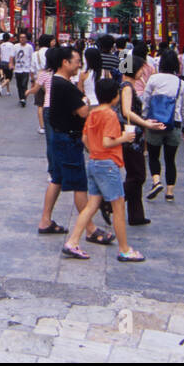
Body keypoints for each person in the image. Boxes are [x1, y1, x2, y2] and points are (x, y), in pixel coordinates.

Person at [61, 79, 145, 262]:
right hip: (107, 165)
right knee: (118, 207)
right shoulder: (110, 115)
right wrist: (124, 137)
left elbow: (85, 139)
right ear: (115, 96)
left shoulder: (93, 113)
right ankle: (124, 249)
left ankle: (73, 241)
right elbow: (108, 141)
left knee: (92, 205)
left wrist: (95, 151)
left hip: (94, 162)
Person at [37, 46, 113, 245]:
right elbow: (83, 112)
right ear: (65, 62)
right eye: (77, 61)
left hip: (60, 138)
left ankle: (45, 220)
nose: (79, 65)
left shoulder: (57, 82)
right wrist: (85, 101)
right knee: (79, 184)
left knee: (57, 179)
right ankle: (90, 229)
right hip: (69, 140)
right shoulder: (65, 86)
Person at [141, 50, 184, 202]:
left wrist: (145, 120)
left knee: (153, 155)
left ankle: (156, 181)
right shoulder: (180, 83)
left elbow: (146, 100)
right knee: (170, 159)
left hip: (154, 123)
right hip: (174, 124)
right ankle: (170, 192)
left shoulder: (153, 79)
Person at [116, 45, 156, 226]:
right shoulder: (127, 87)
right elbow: (126, 111)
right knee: (138, 175)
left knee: (134, 174)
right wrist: (145, 123)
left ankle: (136, 215)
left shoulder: (128, 85)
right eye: (141, 69)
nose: (143, 72)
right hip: (131, 135)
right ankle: (109, 202)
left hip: (134, 135)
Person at [28, 33, 54, 134]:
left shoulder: (36, 54)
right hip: (50, 80)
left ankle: (42, 126)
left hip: (38, 80)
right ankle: (50, 124)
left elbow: (32, 69)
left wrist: (32, 82)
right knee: (50, 102)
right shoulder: (52, 52)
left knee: (40, 104)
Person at [12, 31, 33, 106]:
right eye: (21, 37)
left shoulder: (29, 47)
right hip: (18, 68)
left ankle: (24, 98)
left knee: (24, 84)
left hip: (26, 69)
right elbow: (12, 56)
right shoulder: (15, 46)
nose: (22, 39)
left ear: (26, 39)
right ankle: (21, 98)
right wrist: (11, 64)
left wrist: (31, 68)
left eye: (24, 38)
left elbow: (31, 57)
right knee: (19, 85)